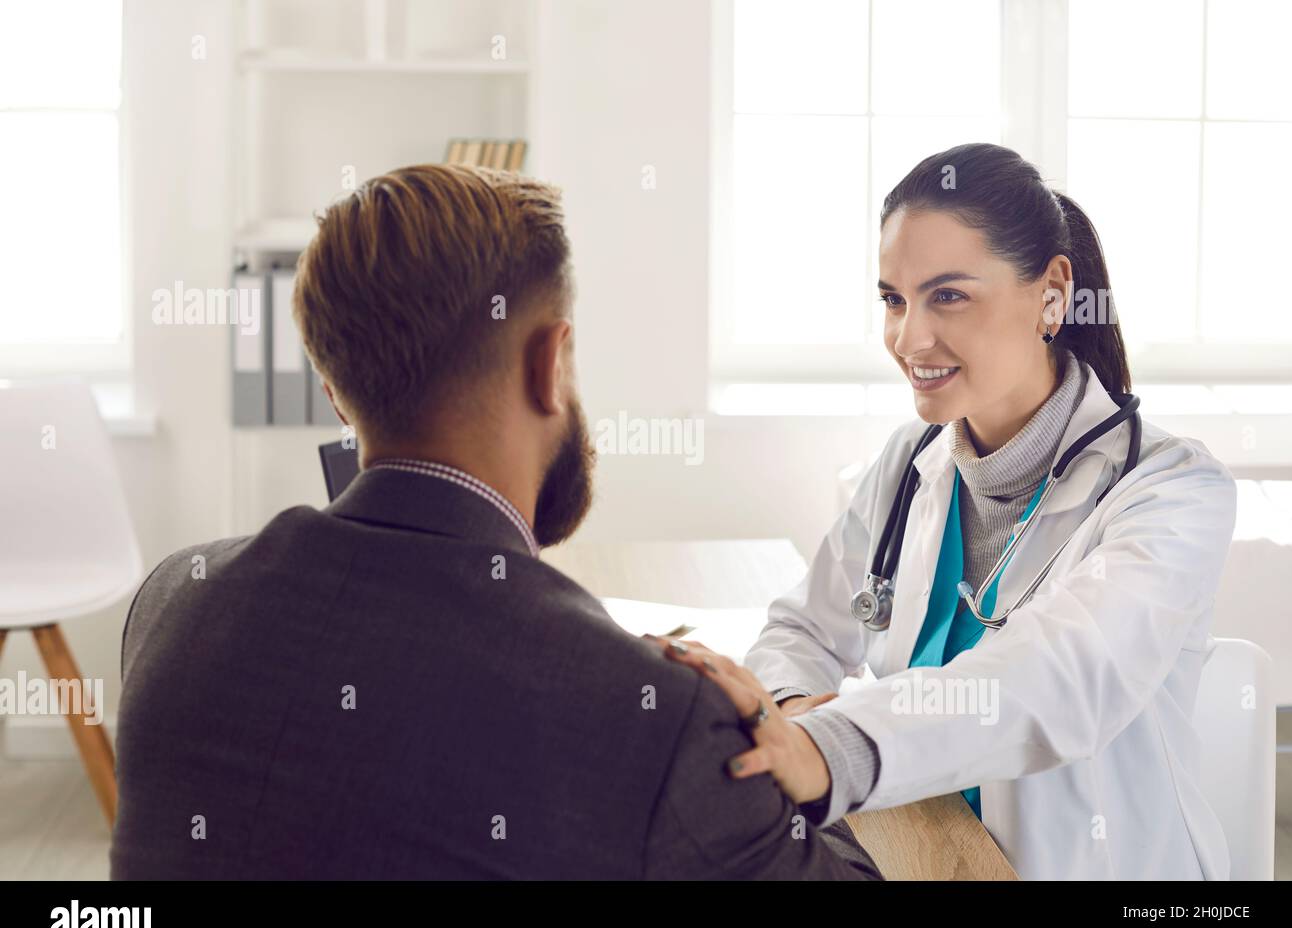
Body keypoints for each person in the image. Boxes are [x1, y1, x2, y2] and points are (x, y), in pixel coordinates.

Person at [110, 164, 879, 880]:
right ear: (551, 364)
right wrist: (796, 747)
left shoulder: (171, 603)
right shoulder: (661, 724)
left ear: (336, 395)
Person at [663, 143, 1237, 880]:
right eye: (893, 299)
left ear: (1053, 293)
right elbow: (803, 625)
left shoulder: (1169, 491)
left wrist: (827, 748)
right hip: (920, 848)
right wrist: (793, 708)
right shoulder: (912, 461)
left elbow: (1057, 677)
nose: (908, 339)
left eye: (949, 296)